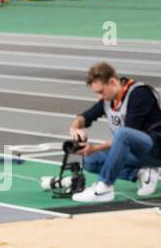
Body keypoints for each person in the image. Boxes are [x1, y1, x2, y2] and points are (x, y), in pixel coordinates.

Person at [69, 61, 161, 202]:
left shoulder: (139, 94)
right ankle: (141, 173)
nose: (100, 97)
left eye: (101, 92)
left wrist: (96, 148)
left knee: (123, 134)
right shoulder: (109, 98)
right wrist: (75, 127)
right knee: (90, 161)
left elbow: (129, 134)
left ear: (112, 82)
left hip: (155, 148)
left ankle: (105, 187)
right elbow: (86, 116)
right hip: (137, 153)